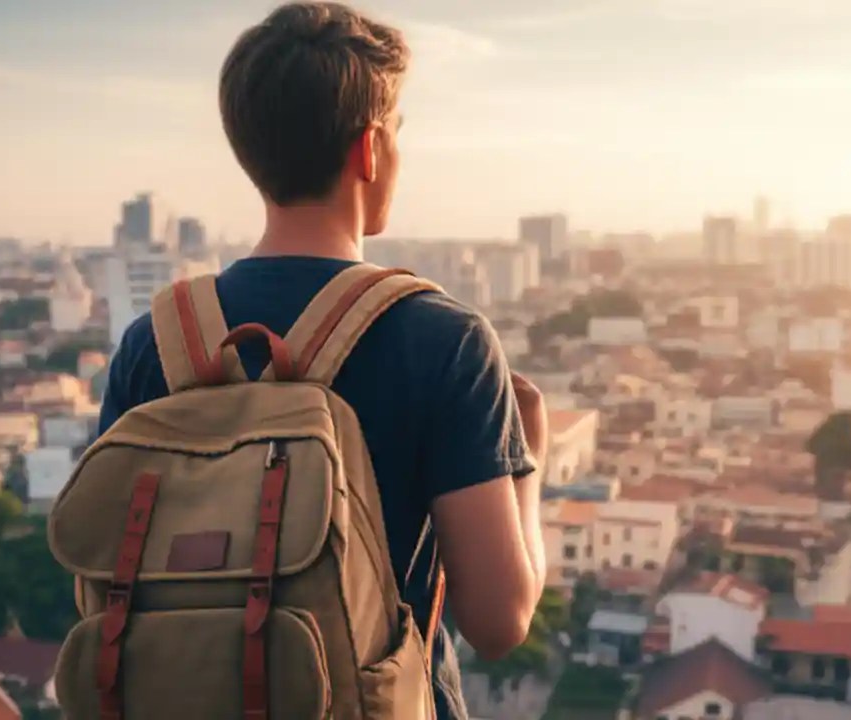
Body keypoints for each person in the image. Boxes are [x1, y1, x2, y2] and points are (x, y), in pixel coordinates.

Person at [96, 3, 548, 717]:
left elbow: (109, 570)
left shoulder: (157, 342)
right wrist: (530, 462)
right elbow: (499, 622)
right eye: (399, 135)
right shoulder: (444, 341)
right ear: (370, 150)